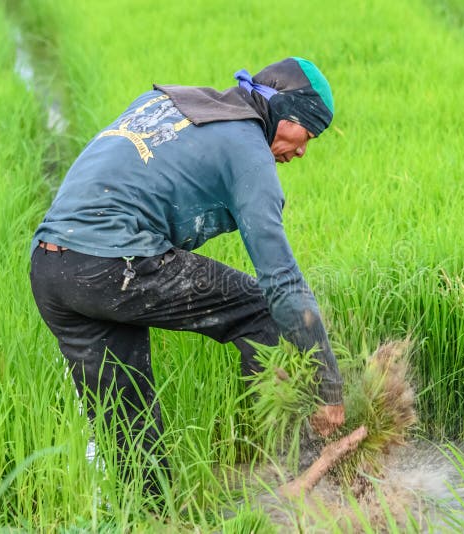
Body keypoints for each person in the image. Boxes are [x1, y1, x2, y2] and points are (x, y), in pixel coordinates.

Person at [29, 57, 345, 493]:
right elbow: (282, 281)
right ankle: (294, 462)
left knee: (132, 435)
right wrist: (330, 386)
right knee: (262, 312)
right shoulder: (247, 150)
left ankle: (152, 517)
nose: (303, 149)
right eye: (307, 132)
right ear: (285, 114)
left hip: (51, 268)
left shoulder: (169, 103)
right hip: (114, 262)